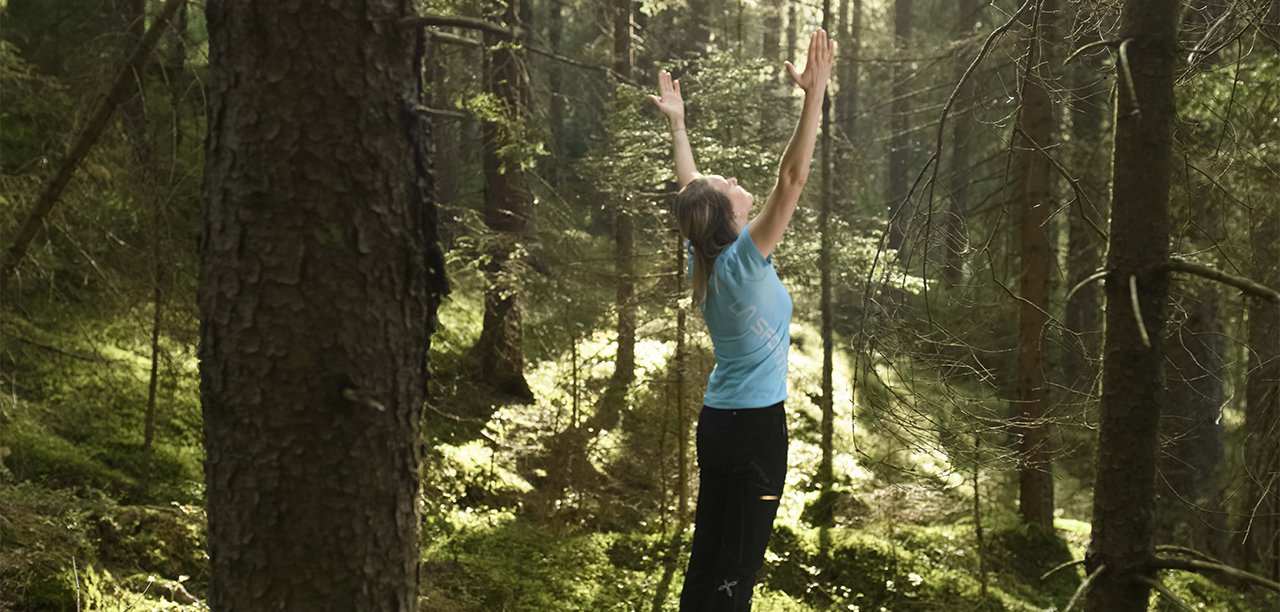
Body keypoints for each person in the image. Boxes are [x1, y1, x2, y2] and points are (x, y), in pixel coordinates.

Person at [649, 28, 835, 611]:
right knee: (735, 570)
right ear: (730, 217)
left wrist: (679, 126)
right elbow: (792, 180)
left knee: (714, 556)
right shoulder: (741, 263)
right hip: (752, 433)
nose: (731, 180)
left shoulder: (707, 256)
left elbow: (691, 190)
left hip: (726, 425)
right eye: (726, 185)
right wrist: (815, 94)